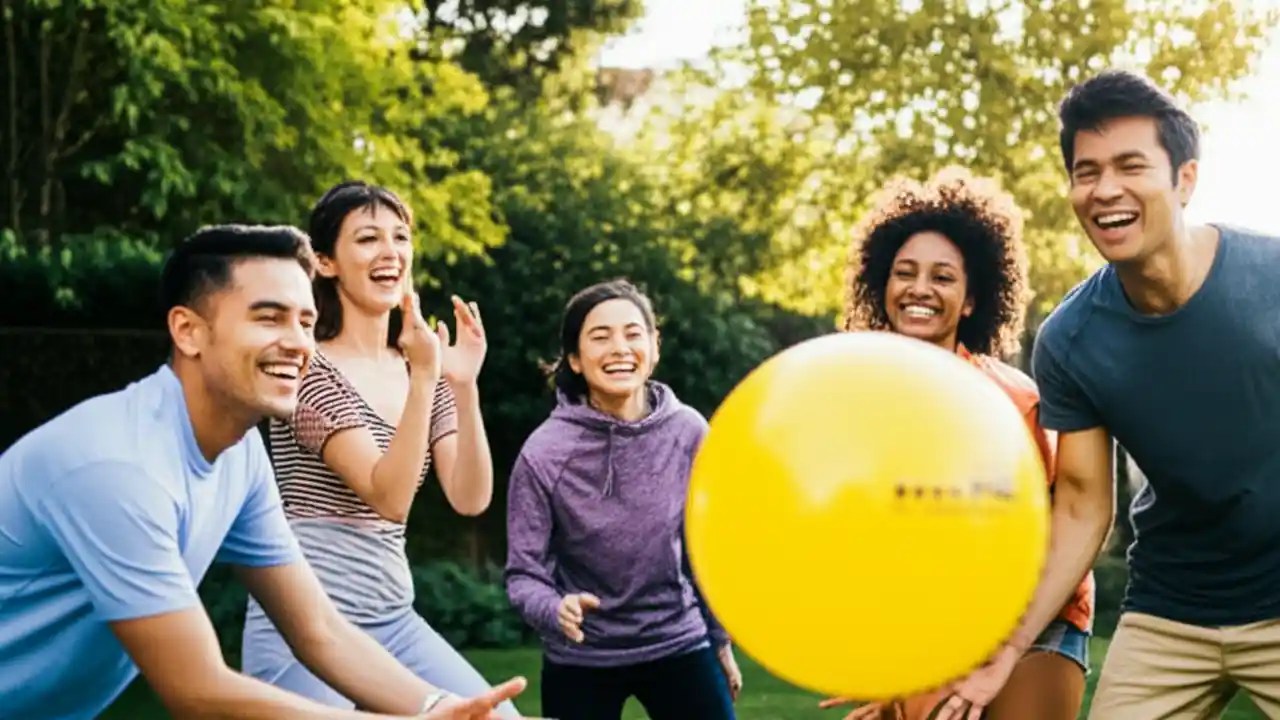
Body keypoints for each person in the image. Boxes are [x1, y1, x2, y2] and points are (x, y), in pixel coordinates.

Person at [0, 224, 526, 719]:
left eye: (305, 321)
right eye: (269, 318)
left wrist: (434, 708)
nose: (298, 343)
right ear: (188, 331)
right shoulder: (117, 467)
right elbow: (196, 689)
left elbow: (319, 630)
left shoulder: (239, 456)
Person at [930, 70, 1280, 720]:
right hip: (1173, 610)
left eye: (1130, 165)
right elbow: (1083, 509)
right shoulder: (1070, 340)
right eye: (1086, 171)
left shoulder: (1271, 278)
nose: (1105, 189)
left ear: (1185, 179)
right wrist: (1007, 650)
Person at [817, 167, 1095, 720]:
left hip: (1035, 625)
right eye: (905, 274)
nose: (920, 289)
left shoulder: (1013, 402)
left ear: (970, 301)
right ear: (883, 288)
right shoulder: (859, 406)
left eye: (943, 277)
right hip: (935, 634)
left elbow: (1059, 531)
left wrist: (992, 649)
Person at [238, 182, 516, 716]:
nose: (391, 252)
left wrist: (461, 384)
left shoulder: (420, 367)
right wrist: (428, 375)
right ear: (325, 262)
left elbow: (470, 496)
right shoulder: (309, 370)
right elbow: (389, 497)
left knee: (494, 716)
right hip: (305, 628)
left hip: (391, 619)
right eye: (368, 239)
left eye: (401, 237)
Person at [504, 278, 742, 720]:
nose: (619, 347)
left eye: (633, 334)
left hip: (678, 641)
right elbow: (523, 574)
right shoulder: (544, 454)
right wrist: (555, 609)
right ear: (574, 359)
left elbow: (706, 550)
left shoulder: (689, 432)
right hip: (582, 657)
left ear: (654, 347)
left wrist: (719, 641)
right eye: (600, 336)